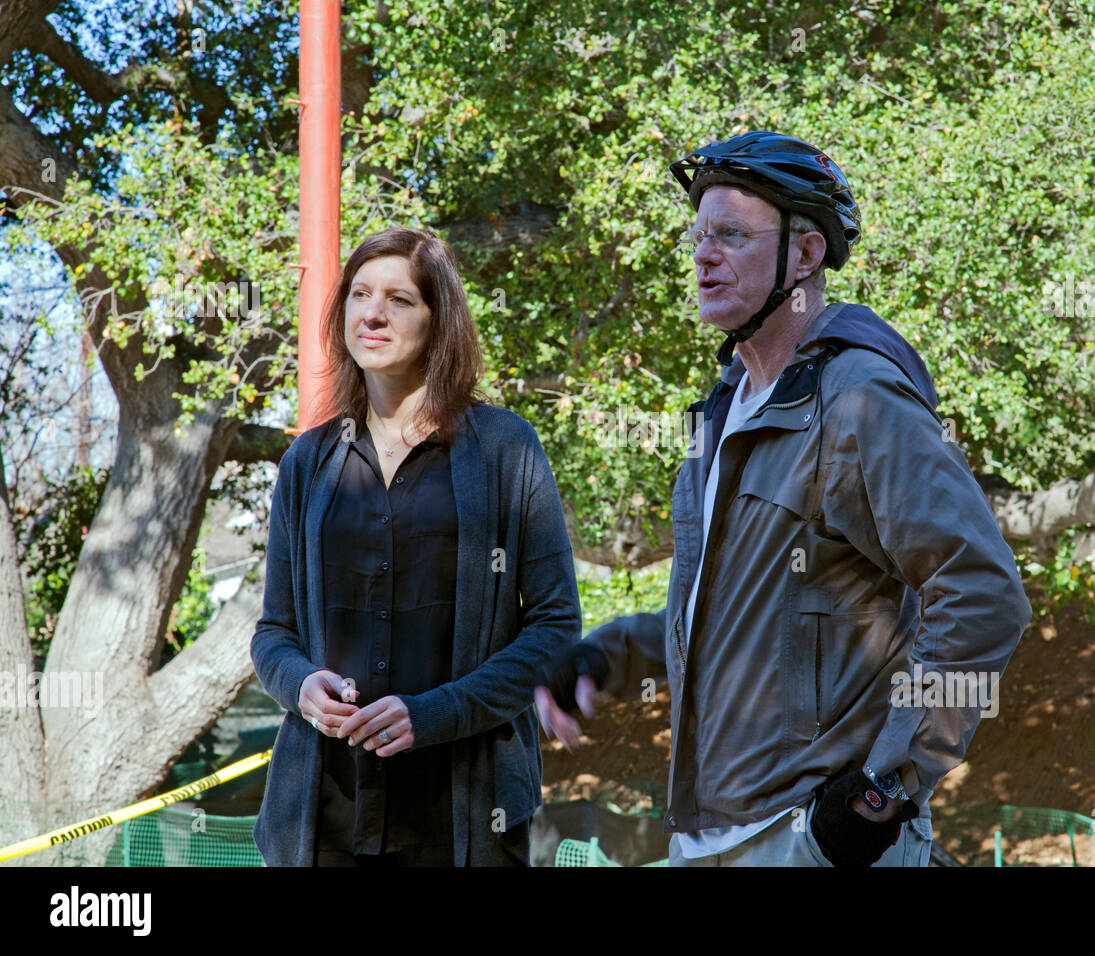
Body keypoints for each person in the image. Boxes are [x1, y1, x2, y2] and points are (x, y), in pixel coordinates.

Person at [535, 131, 1033, 867]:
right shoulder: (726, 408)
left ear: (803, 256)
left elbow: (984, 593)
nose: (703, 255)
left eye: (731, 235)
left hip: (808, 837)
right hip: (708, 837)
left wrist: (884, 789)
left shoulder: (858, 398)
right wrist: (611, 654)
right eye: (698, 234)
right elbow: (744, 616)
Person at [251, 227, 580, 866]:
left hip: (464, 821)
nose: (372, 313)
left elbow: (556, 628)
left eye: (400, 299)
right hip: (320, 826)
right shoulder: (306, 463)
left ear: (438, 321)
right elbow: (273, 632)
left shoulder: (507, 449)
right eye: (359, 294)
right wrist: (300, 685)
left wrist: (433, 714)